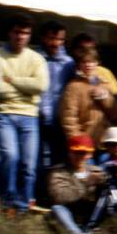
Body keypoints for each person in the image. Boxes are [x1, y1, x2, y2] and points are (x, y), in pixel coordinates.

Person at [0, 15, 49, 213]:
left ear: (30, 36)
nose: (21, 36)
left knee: (28, 164)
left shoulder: (37, 59)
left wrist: (12, 80)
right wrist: (25, 88)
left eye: (25, 33)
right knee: (10, 156)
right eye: (17, 32)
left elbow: (41, 85)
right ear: (10, 33)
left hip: (30, 116)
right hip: (5, 113)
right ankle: (6, 202)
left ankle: (23, 207)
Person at [59, 34, 117, 149]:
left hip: (104, 143)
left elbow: (115, 114)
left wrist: (105, 97)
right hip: (83, 146)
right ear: (79, 65)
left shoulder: (105, 83)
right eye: (84, 62)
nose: (88, 65)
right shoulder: (73, 87)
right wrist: (78, 141)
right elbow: (68, 119)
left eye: (91, 61)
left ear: (97, 63)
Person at [47, 133, 107, 234]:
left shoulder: (97, 171)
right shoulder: (58, 172)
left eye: (83, 153)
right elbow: (59, 197)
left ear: (90, 154)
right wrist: (86, 184)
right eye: (76, 152)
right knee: (57, 209)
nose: (80, 157)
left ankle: (96, 233)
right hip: (69, 211)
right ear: (70, 153)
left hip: (90, 212)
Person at [36, 20, 73, 183]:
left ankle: (56, 196)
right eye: (51, 38)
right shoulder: (35, 57)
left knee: (58, 162)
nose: (55, 43)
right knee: (33, 161)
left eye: (59, 39)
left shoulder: (69, 63)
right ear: (43, 38)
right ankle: (34, 196)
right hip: (36, 116)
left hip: (59, 119)